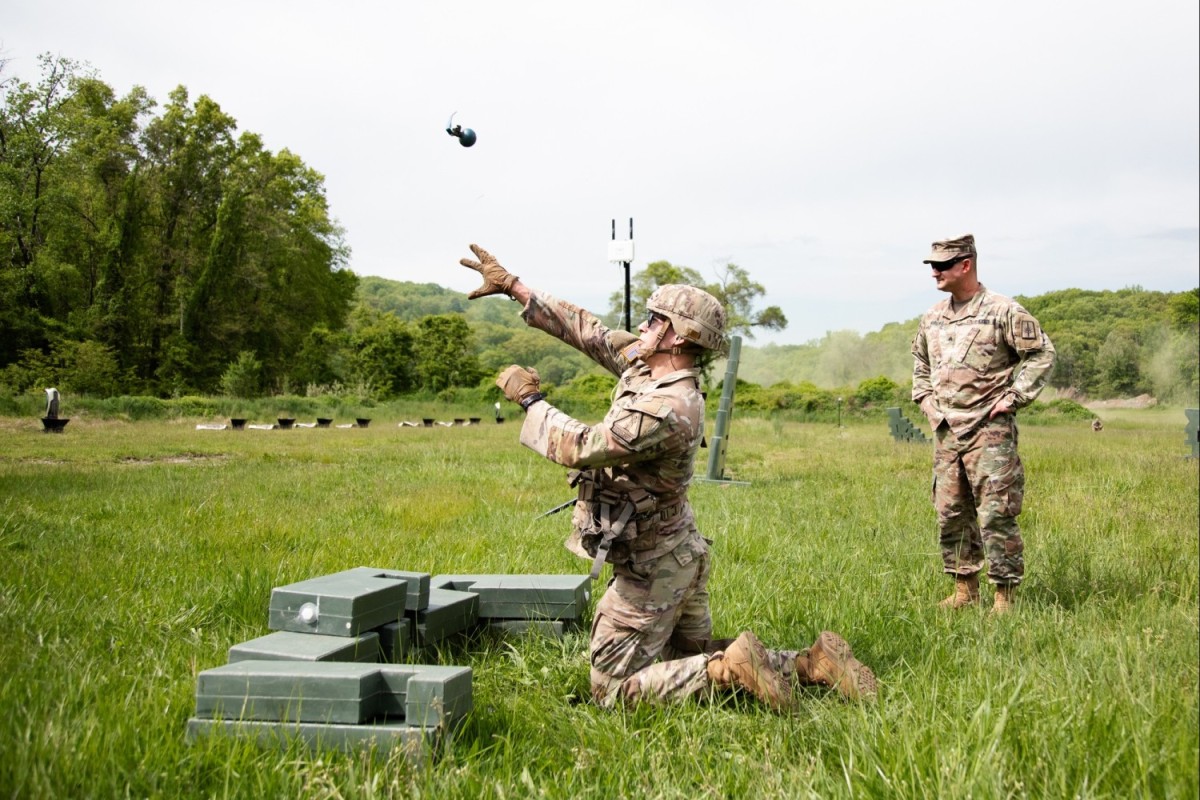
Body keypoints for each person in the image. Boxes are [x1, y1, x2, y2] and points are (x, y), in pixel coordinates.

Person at [458, 244, 876, 709]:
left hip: (653, 569)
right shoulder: (646, 367)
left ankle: (728, 671)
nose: (643, 325)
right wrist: (515, 287)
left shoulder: (669, 407)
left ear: (680, 337)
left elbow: (582, 448)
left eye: (656, 320)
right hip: (677, 554)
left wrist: (531, 400)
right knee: (684, 653)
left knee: (612, 691)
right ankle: (811, 664)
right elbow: (591, 332)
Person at [911, 234, 1057, 615]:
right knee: (951, 512)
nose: (935, 272)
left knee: (996, 512)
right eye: (932, 266)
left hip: (989, 432)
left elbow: (1042, 353)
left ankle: (1004, 596)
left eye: (942, 266)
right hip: (947, 433)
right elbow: (921, 366)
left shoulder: (1002, 310)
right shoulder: (932, 317)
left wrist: (1015, 396)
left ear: (966, 265)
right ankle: (964, 589)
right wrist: (926, 402)